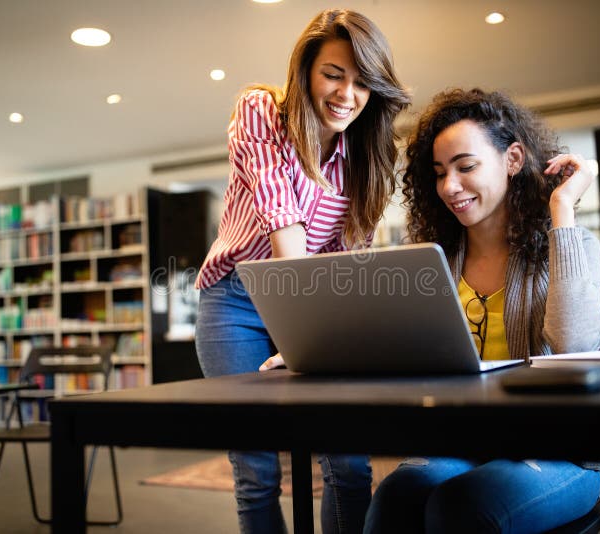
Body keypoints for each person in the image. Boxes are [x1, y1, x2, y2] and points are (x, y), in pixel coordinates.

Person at [194, 9, 411, 534]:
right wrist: (303, 331)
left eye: (363, 83)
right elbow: (281, 219)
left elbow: (344, 261)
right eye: (334, 74)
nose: (346, 94)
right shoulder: (261, 110)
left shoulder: (366, 155)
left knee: (349, 462)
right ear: (306, 70)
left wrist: (319, 333)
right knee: (257, 470)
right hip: (236, 303)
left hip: (313, 308)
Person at [362, 88, 600, 533]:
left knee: (464, 506)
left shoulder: (573, 245)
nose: (449, 187)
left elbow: (574, 346)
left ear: (513, 159)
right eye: (439, 173)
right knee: (396, 497)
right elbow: (392, 347)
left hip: (562, 450)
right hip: (464, 442)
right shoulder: (430, 260)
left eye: (465, 167)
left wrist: (562, 208)